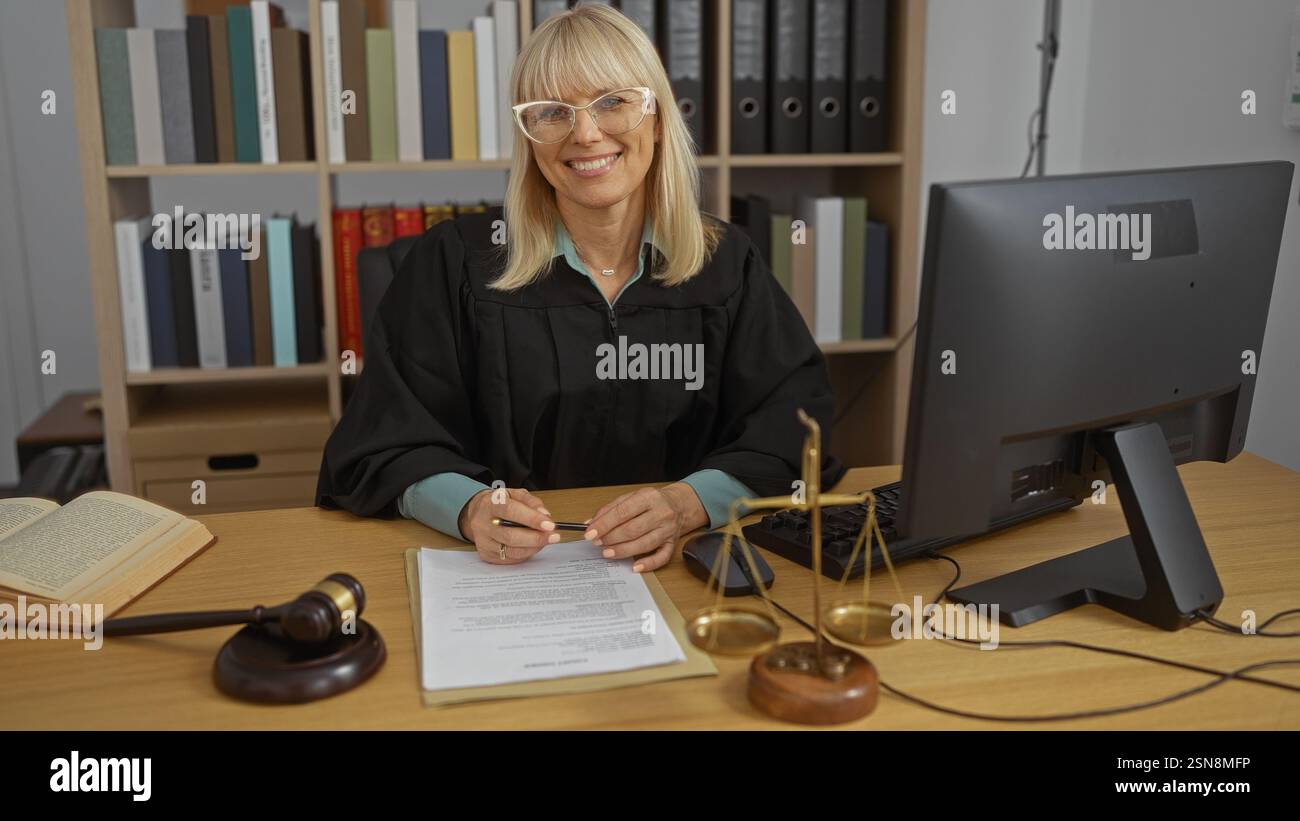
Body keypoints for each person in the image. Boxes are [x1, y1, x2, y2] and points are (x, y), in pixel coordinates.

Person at [316, 4, 843, 572]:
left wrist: (689, 504)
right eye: (552, 112)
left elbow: (794, 427)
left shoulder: (725, 265)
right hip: (502, 578)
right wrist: (469, 509)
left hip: (678, 573)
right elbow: (381, 442)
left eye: (614, 101)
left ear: (659, 118)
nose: (586, 134)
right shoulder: (454, 264)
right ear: (529, 135)